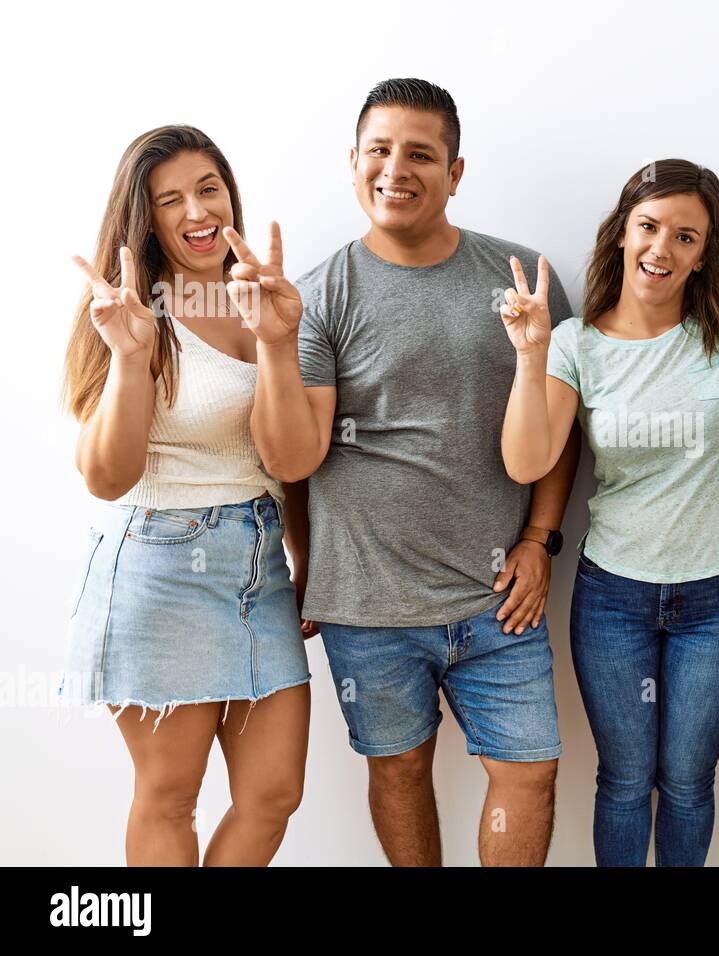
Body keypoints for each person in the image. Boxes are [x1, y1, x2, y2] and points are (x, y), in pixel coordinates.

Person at [238, 78, 578, 867]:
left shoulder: (524, 279)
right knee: (398, 772)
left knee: (529, 772)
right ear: (352, 162)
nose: (397, 168)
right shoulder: (317, 296)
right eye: (380, 150)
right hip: (368, 600)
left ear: (455, 172)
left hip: (500, 597)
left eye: (421, 153)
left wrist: (540, 537)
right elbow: (294, 460)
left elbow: (565, 431)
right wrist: (304, 559)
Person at [59, 125, 311, 866]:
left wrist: (275, 341)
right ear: (145, 217)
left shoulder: (264, 298)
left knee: (273, 794)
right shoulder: (124, 310)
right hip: (158, 562)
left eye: (209, 188)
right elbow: (106, 476)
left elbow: (291, 458)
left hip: (259, 564)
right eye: (170, 199)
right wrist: (132, 357)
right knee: (170, 795)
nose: (196, 212)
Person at [500, 159, 719, 866]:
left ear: (705, 253)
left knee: (684, 783)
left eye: (685, 237)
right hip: (614, 595)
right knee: (621, 782)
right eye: (648, 227)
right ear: (621, 233)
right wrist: (530, 356)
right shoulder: (575, 343)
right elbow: (528, 461)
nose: (661, 249)